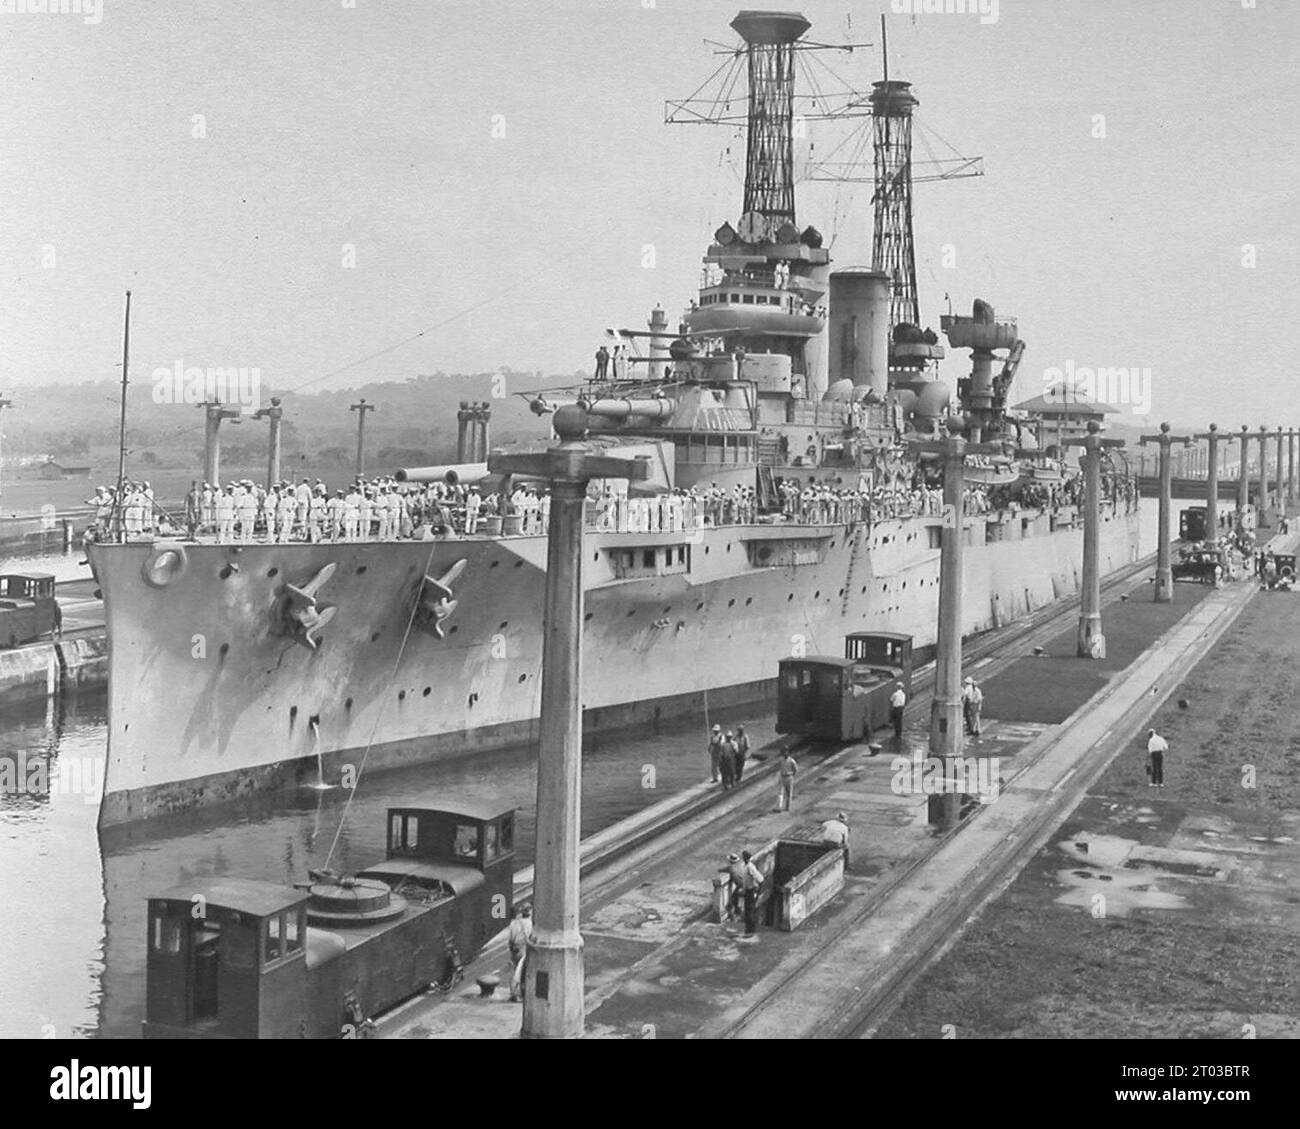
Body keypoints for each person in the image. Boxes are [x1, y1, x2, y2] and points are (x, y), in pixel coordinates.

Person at [507, 905, 533, 1002]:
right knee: (523, 972)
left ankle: (513, 993)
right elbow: (531, 936)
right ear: (529, 914)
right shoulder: (530, 924)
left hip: (515, 948)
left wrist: (511, 949)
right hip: (525, 948)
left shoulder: (514, 923)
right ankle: (521, 994)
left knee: (515, 971)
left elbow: (510, 938)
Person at [741, 849, 764, 937]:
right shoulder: (744, 866)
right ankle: (748, 929)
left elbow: (760, 879)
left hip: (751, 890)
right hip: (746, 890)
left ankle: (751, 930)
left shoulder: (751, 867)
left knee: (750, 911)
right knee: (747, 911)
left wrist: (757, 892)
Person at [725, 852, 746, 922]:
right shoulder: (739, 866)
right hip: (744, 884)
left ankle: (734, 913)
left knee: (733, 901)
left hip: (741, 886)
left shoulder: (731, 868)